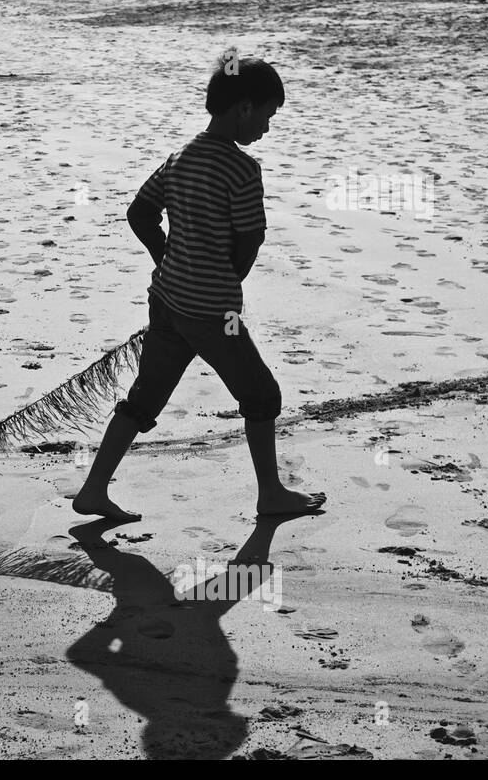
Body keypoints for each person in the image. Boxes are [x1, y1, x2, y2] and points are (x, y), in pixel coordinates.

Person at [72, 55, 327, 521]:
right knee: (262, 396)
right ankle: (270, 494)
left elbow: (139, 213)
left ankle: (92, 490)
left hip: (168, 297)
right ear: (244, 109)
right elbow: (250, 240)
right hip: (211, 310)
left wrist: (168, 258)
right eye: (268, 116)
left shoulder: (180, 158)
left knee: (144, 398)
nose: (267, 129)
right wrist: (224, 278)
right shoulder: (241, 171)